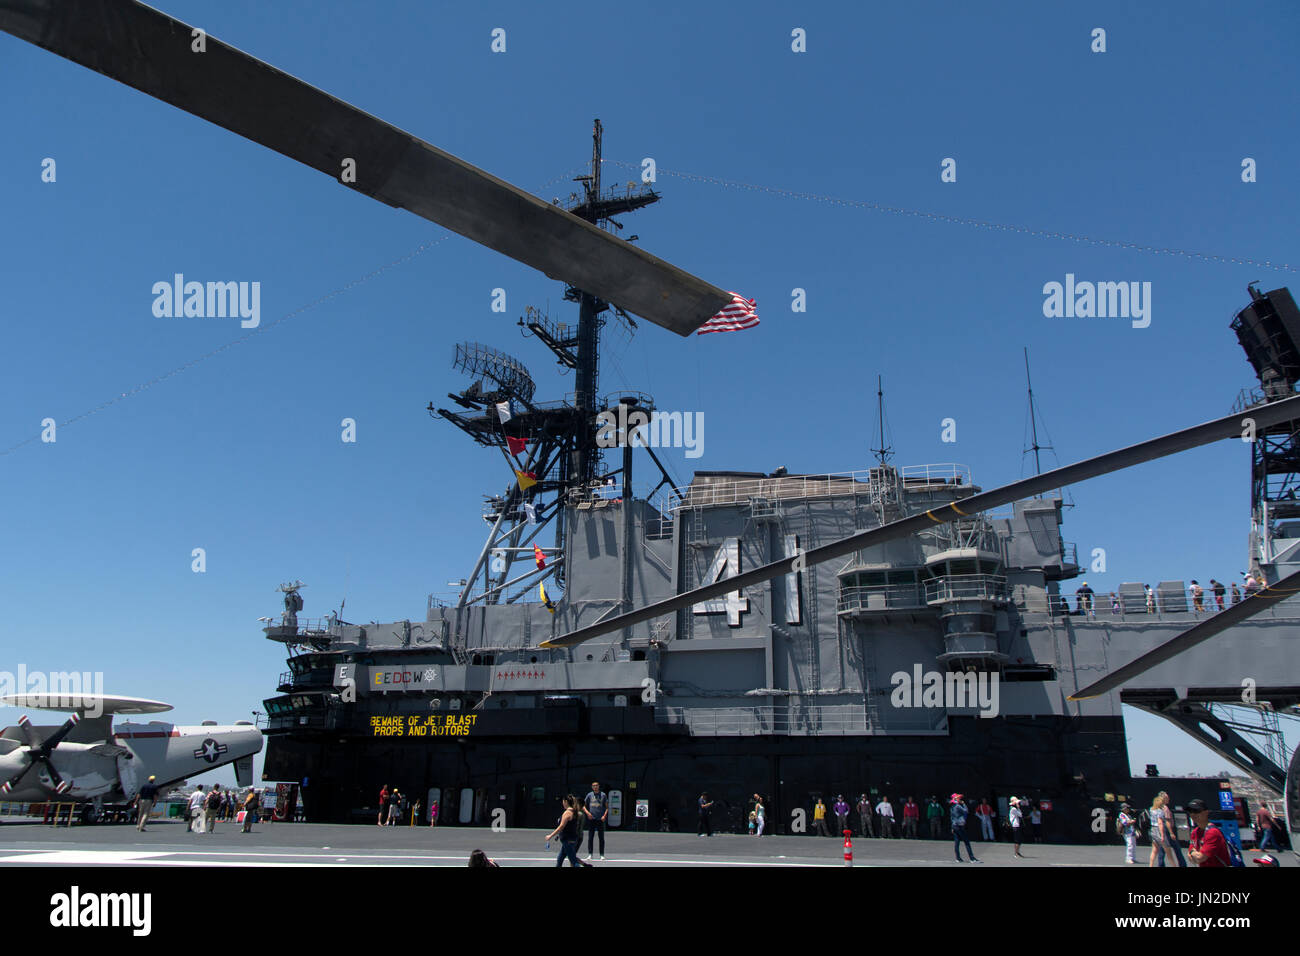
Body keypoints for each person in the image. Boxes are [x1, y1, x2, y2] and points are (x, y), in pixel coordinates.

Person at [546, 795, 591, 867]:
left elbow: (562, 826)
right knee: (560, 858)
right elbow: (568, 826)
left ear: (566, 802)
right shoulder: (574, 811)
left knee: (573, 861)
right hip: (570, 838)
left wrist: (550, 835)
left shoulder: (568, 812)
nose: (562, 803)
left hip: (567, 839)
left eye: (563, 802)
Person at [1186, 799, 1230, 867]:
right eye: (1190, 811)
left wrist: (1193, 852)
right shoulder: (1194, 832)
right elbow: (1190, 858)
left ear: (1206, 812)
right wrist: (1194, 853)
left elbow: (1199, 858)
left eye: (1196, 811)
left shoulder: (1212, 832)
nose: (1192, 814)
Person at [950, 794, 980, 862]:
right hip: (959, 826)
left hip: (954, 826)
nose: (960, 800)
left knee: (957, 842)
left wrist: (952, 827)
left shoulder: (952, 807)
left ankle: (958, 858)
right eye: (958, 799)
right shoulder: (957, 806)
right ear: (955, 799)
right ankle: (972, 858)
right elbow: (966, 811)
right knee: (966, 842)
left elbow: (951, 818)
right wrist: (963, 804)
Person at [1148, 793, 1175, 867]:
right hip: (1158, 830)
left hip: (1152, 829)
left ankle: (1151, 865)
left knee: (1154, 850)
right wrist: (1163, 835)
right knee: (1168, 851)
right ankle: (1174, 865)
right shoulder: (1160, 811)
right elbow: (1160, 823)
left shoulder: (1151, 810)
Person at [584, 781, 608, 860]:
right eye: (594, 785)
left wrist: (604, 816)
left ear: (599, 786)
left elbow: (607, 807)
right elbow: (583, 806)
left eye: (596, 785)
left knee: (601, 838)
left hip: (600, 819)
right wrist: (588, 813)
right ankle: (590, 854)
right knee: (590, 837)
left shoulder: (603, 795)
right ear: (592, 787)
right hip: (592, 819)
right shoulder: (589, 795)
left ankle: (602, 854)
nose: (595, 787)